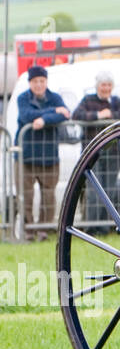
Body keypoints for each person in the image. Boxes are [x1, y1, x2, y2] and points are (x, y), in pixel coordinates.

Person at [71, 70, 120, 229]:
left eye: (108, 85)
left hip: (114, 153)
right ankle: (91, 228)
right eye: (103, 85)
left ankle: (105, 227)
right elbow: (77, 115)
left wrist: (111, 114)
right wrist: (98, 115)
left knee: (109, 190)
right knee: (93, 192)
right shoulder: (87, 100)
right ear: (97, 86)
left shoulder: (116, 102)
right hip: (94, 153)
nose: (105, 88)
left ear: (112, 87)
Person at [15, 65, 70, 238]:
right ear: (29, 83)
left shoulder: (55, 97)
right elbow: (26, 115)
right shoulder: (22, 98)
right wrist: (52, 111)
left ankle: (44, 229)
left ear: (46, 82)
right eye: (35, 81)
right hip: (25, 156)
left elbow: (65, 114)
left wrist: (44, 119)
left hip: (49, 156)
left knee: (48, 195)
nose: (39, 84)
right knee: (26, 195)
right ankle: (28, 230)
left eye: (42, 81)